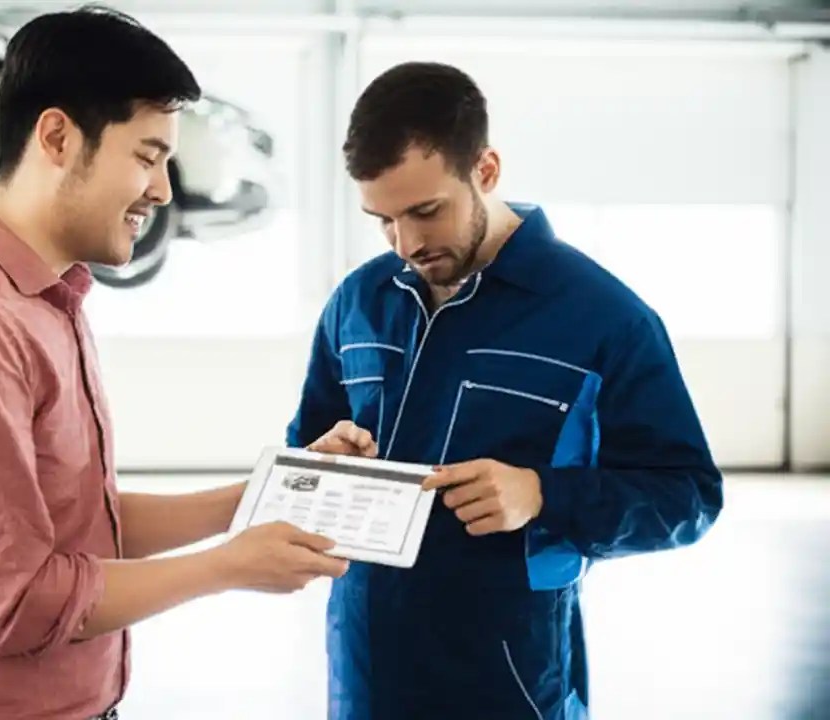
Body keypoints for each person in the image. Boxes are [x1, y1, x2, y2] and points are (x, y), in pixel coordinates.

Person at [0, 8, 353, 720]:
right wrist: (229, 566)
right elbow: (19, 603)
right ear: (58, 138)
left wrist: (273, 493)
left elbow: (76, 525)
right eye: (148, 156)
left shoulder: (43, 303)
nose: (161, 190)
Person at [287, 61, 725, 719]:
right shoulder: (358, 303)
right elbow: (304, 454)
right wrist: (318, 464)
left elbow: (688, 496)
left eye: (425, 212)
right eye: (382, 220)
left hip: (510, 674)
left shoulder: (604, 318)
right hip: (364, 662)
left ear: (485, 171)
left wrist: (544, 494)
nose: (405, 244)